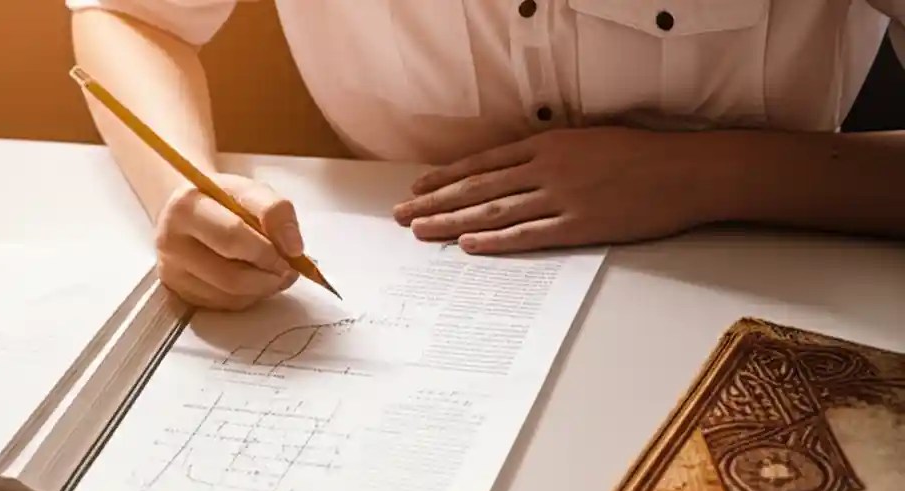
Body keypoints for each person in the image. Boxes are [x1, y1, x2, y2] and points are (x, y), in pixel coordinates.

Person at [67, 1, 905, 310]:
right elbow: (136, 15)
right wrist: (189, 186)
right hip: (410, 289)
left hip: (770, 284)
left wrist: (705, 174)